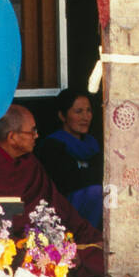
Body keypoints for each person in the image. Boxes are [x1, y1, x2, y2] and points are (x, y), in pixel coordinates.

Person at [0, 104, 104, 277]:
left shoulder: (30, 164)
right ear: (12, 137)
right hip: (8, 246)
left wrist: (89, 235)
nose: (37, 136)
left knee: (102, 254)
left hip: (42, 236)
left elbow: (59, 204)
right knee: (47, 260)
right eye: (32, 131)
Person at [35, 89, 103, 228]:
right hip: (64, 211)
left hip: (93, 207)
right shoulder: (53, 145)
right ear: (62, 116)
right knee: (96, 191)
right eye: (78, 111)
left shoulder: (93, 143)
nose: (86, 117)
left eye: (88, 110)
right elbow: (68, 181)